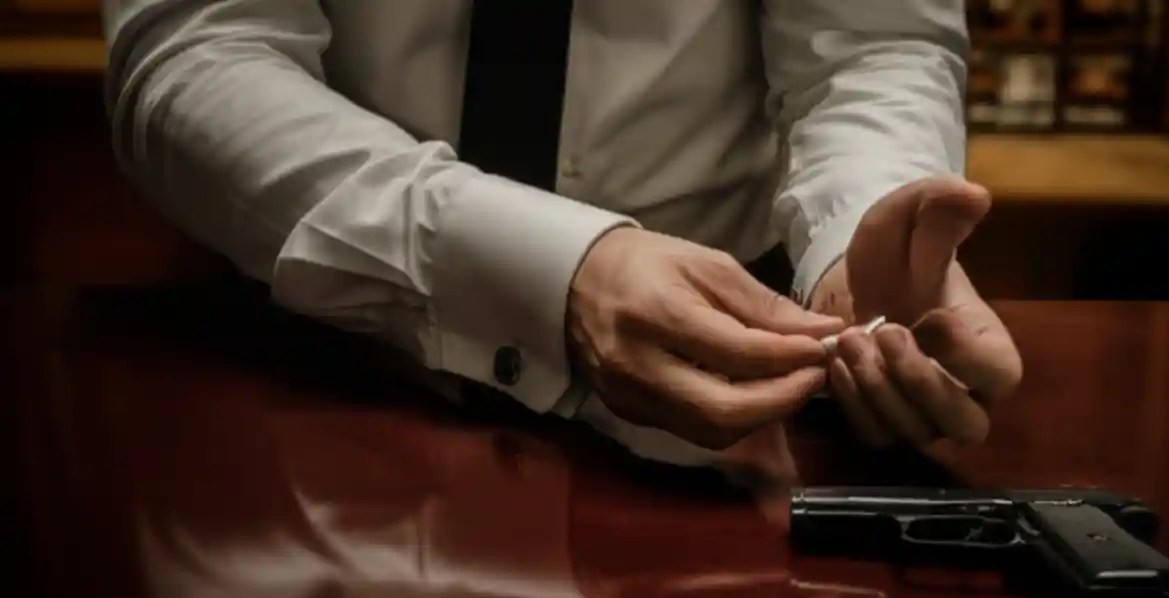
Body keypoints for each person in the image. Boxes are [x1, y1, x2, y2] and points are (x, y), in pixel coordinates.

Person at [103, 0, 1021, 456]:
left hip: (722, 405)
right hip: (313, 376)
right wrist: (546, 270)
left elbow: (869, 41)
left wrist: (864, 237)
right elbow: (201, 51)